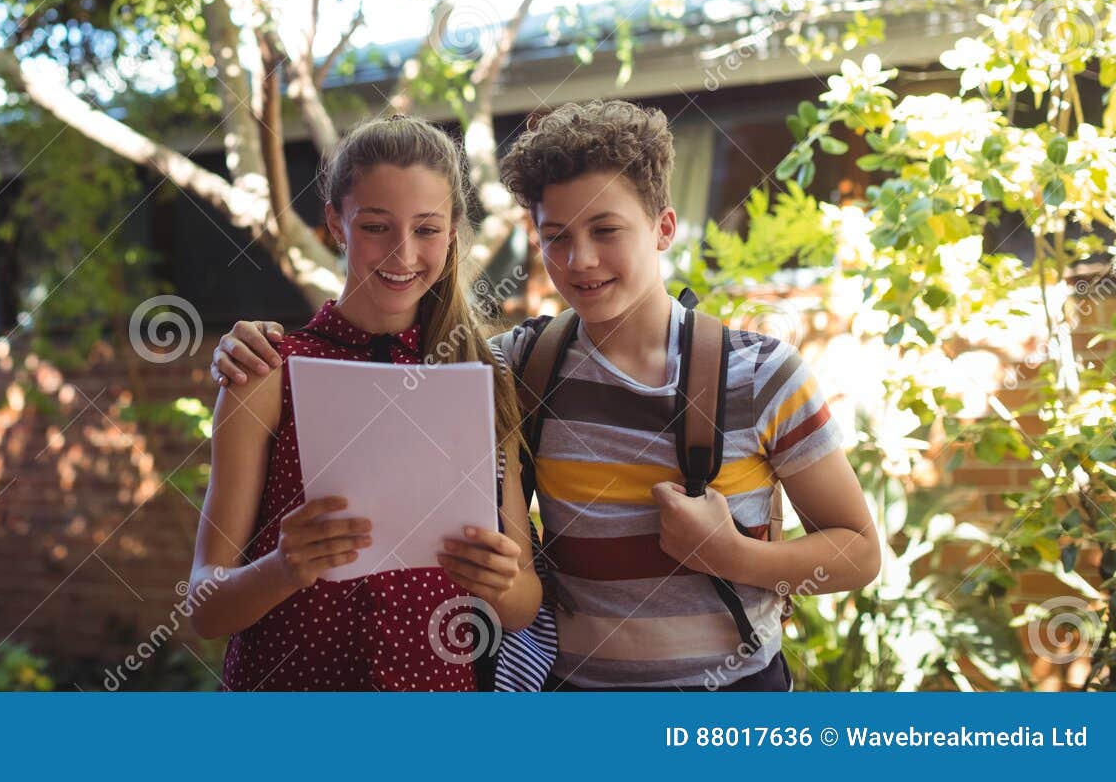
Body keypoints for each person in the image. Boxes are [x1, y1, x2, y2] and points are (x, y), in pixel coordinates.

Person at [210, 100, 881, 690]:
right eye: (556, 237)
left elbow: (859, 549)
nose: (581, 260)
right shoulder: (516, 368)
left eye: (606, 230)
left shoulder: (760, 374)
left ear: (665, 227)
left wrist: (735, 556)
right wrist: (253, 340)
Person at [187, 114, 542, 690]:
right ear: (335, 222)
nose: (402, 254)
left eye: (427, 229)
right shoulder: (267, 370)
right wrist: (283, 569)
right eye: (376, 226)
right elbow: (205, 606)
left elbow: (522, 603)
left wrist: (500, 582)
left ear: (453, 230)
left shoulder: (479, 375)